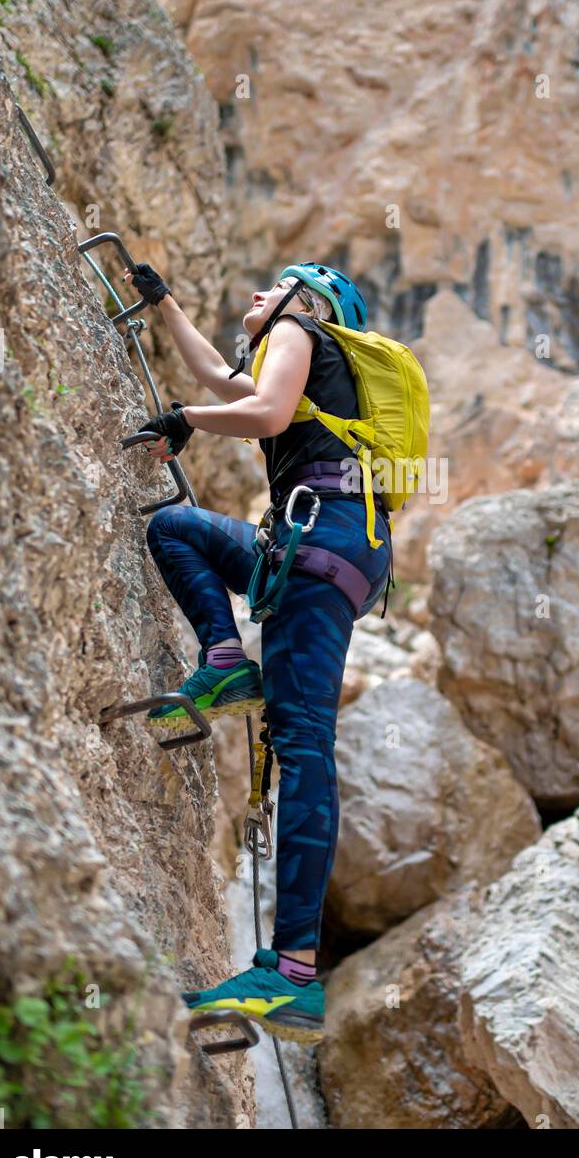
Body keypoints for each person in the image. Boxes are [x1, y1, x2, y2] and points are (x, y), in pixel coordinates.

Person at [122, 260, 394, 1045]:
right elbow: (220, 375)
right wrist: (164, 303)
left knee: (305, 742)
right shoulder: (297, 351)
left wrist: (183, 420)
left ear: (307, 306)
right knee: (177, 527)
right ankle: (225, 660)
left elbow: (268, 414)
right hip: (323, 553)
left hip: (316, 545)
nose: (258, 295)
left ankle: (295, 973)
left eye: (276, 286)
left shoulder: (300, 334)